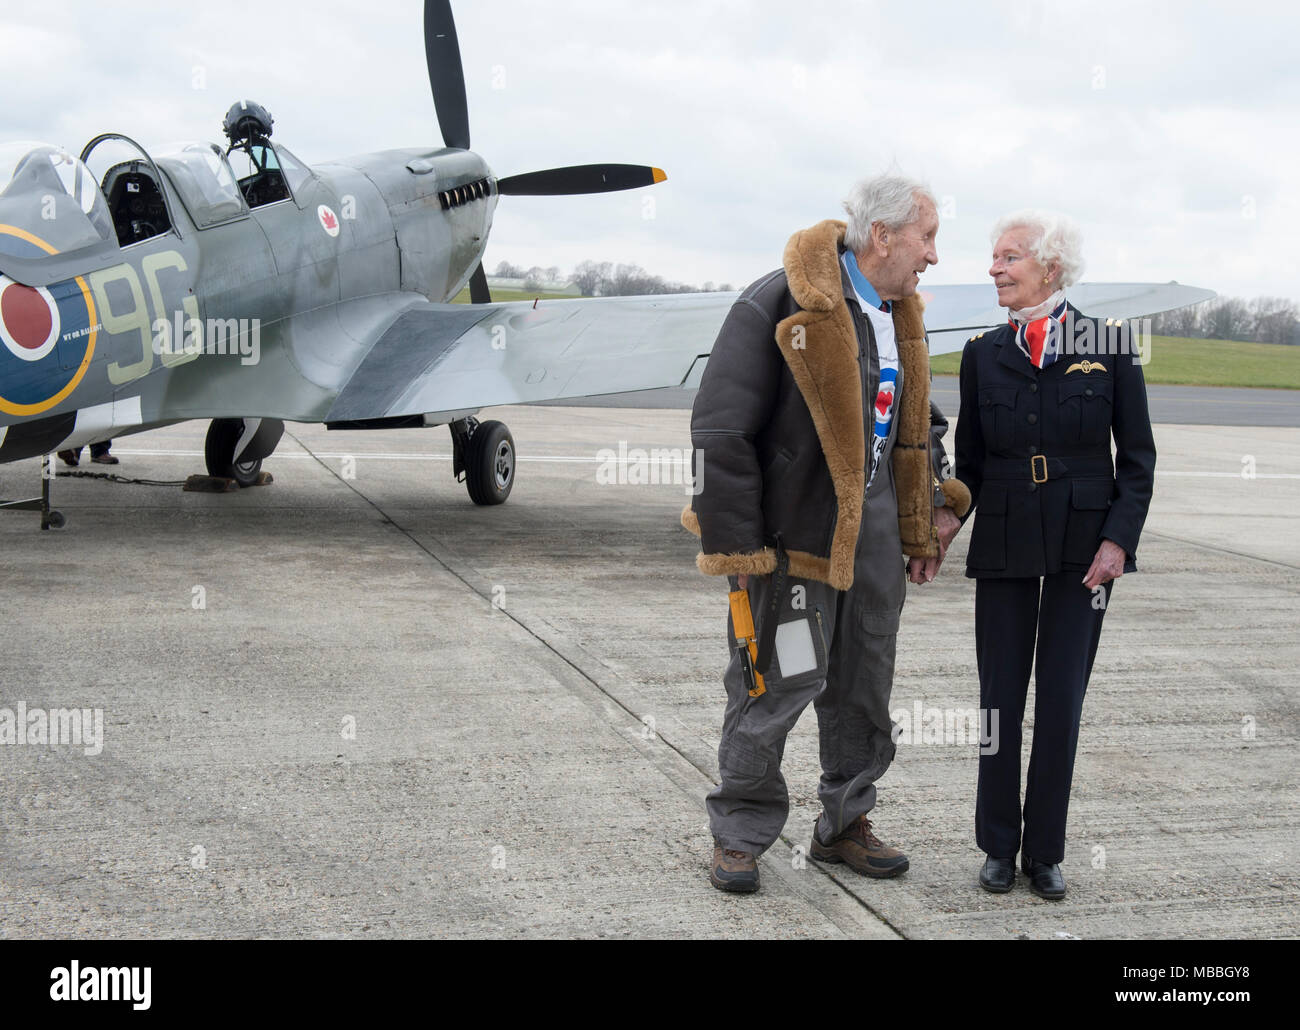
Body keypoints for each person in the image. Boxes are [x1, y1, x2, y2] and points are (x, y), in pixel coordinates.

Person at [681, 173, 970, 893]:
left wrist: (930, 510)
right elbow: (721, 430)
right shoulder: (778, 301)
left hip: (875, 539)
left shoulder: (902, 315)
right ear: (883, 236)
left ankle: (845, 823)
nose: (933, 256)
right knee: (775, 685)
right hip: (796, 541)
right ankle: (741, 832)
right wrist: (739, 547)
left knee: (864, 690)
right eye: (926, 238)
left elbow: (920, 424)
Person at [952, 210, 1155, 899]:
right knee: (998, 698)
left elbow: (1137, 458)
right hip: (1006, 534)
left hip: (1084, 545)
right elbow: (970, 465)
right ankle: (997, 845)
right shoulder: (982, 352)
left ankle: (1044, 850)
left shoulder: (1110, 344)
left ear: (1051, 267)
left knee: (1061, 698)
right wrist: (945, 524)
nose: (994, 269)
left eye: (1009, 258)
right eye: (995, 256)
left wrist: (1119, 541)